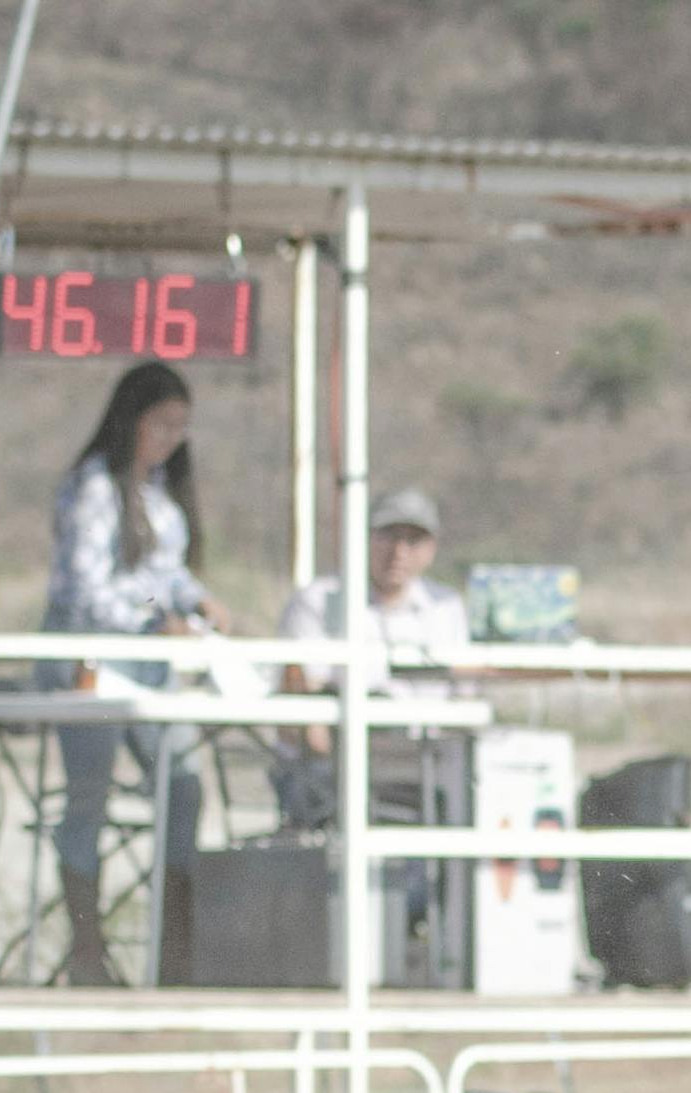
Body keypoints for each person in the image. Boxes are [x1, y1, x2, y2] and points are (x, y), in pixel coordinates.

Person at [41, 360, 226, 987]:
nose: (173, 439)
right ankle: (86, 950)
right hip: (93, 657)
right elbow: (95, 591)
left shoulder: (160, 497)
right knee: (88, 793)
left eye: (182, 428)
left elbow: (159, 577)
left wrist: (196, 602)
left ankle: (175, 953)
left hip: (151, 665)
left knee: (184, 783)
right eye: (162, 424)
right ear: (132, 421)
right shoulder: (95, 488)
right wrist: (155, 620)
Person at [270, 487, 470, 835]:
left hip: (421, 762)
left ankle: (442, 884)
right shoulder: (319, 601)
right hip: (336, 764)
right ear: (364, 538)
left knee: (477, 784)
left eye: (413, 541)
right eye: (388, 537)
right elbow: (302, 712)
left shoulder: (446, 608)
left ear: (431, 549)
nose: (398, 552)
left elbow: (464, 699)